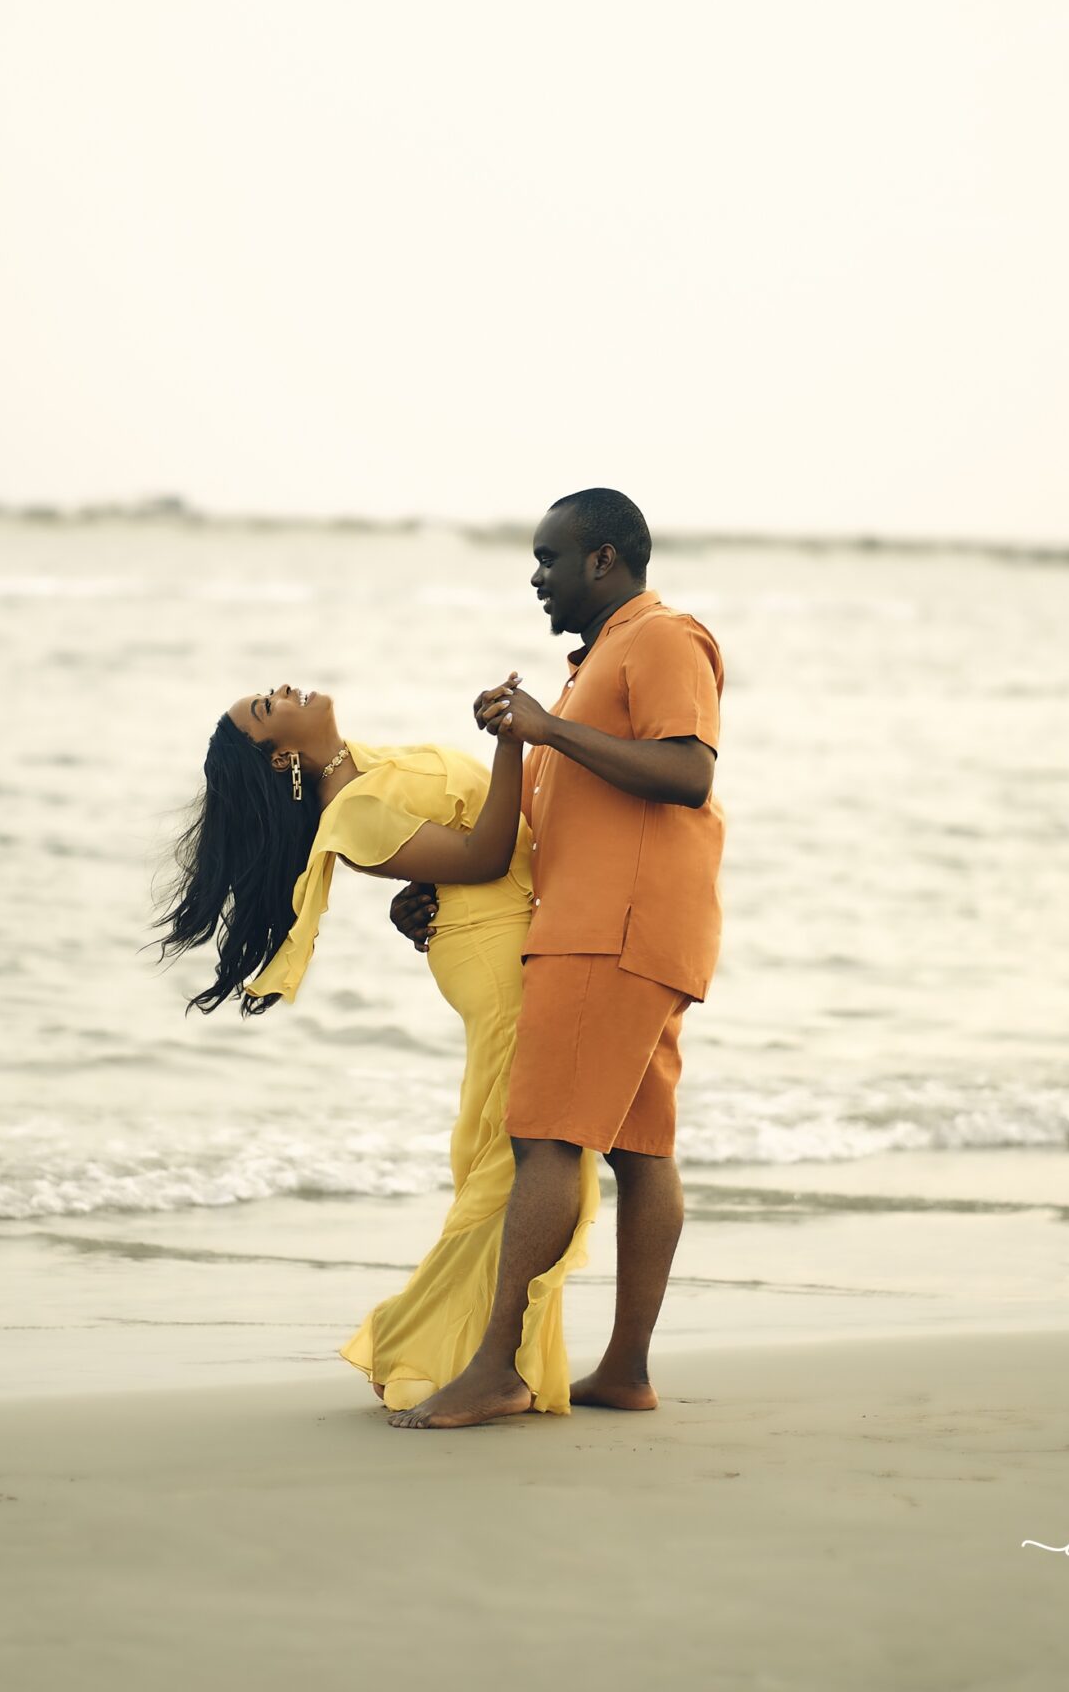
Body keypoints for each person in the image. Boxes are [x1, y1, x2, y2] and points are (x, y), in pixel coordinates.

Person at [149, 681, 600, 1415]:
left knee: (511, 1154)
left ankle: (472, 1351)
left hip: (511, 934)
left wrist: (418, 881)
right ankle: (438, 1347)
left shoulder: (360, 766)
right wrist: (512, 739)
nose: (280, 689)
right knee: (514, 1159)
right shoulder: (349, 811)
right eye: (267, 708)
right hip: (497, 962)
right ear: (282, 759)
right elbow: (486, 854)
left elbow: (456, 840)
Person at [384, 488, 725, 1430]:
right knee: (639, 1144)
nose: (536, 577)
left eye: (549, 559)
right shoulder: (590, 668)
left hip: (611, 931)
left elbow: (690, 771)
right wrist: (440, 894)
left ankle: (494, 1367)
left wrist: (549, 728)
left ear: (604, 560)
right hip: (632, 927)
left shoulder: (660, 638)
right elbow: (546, 832)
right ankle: (625, 1370)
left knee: (545, 1139)